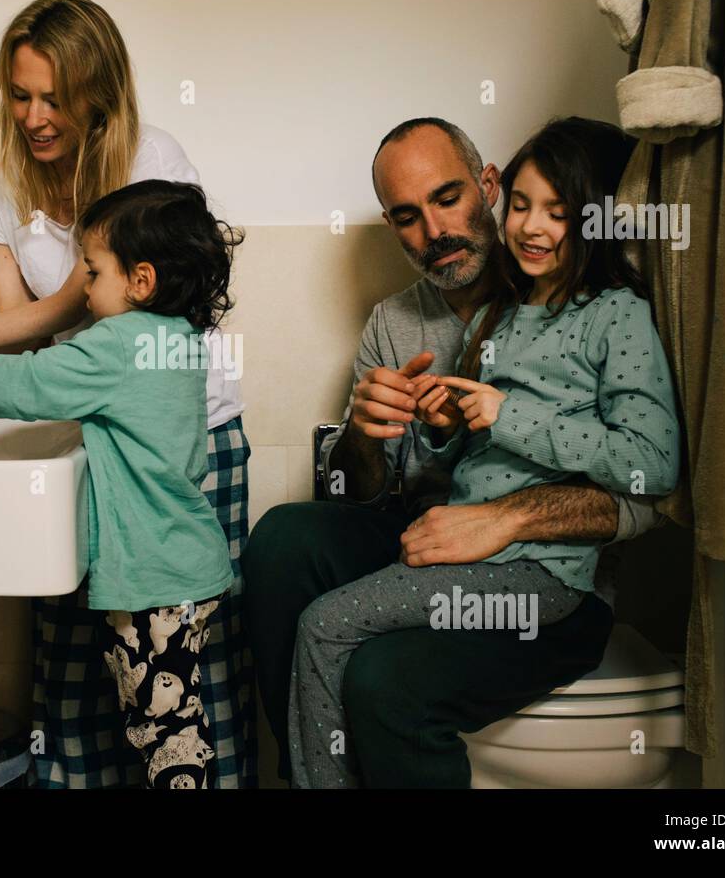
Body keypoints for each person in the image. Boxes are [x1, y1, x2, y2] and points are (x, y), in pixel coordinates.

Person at [0, 0, 254, 788]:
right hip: (98, 430)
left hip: (166, 432)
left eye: (54, 97)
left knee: (177, 695)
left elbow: (64, 329)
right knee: (116, 675)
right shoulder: (0, 181)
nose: (34, 115)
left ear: (98, 92)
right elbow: (18, 323)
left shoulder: (150, 162)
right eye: (20, 95)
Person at [243, 116, 668, 787]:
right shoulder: (396, 322)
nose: (434, 231)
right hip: (429, 543)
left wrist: (506, 520)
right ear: (391, 225)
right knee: (281, 539)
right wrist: (364, 435)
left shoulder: (568, 297)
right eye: (408, 216)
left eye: (447, 199)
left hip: (546, 578)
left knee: (380, 681)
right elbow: (365, 494)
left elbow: (648, 485)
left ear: (487, 186)